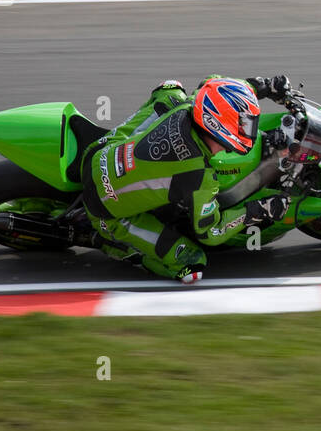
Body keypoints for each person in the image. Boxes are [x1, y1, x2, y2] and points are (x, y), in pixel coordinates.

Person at [81, 75, 297, 284]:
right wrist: (257, 210)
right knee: (192, 265)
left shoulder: (192, 105)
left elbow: (213, 84)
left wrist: (262, 86)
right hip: (105, 211)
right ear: (218, 124)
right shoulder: (198, 177)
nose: (248, 128)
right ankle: (116, 245)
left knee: (170, 91)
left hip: (99, 151)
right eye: (243, 124)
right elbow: (211, 231)